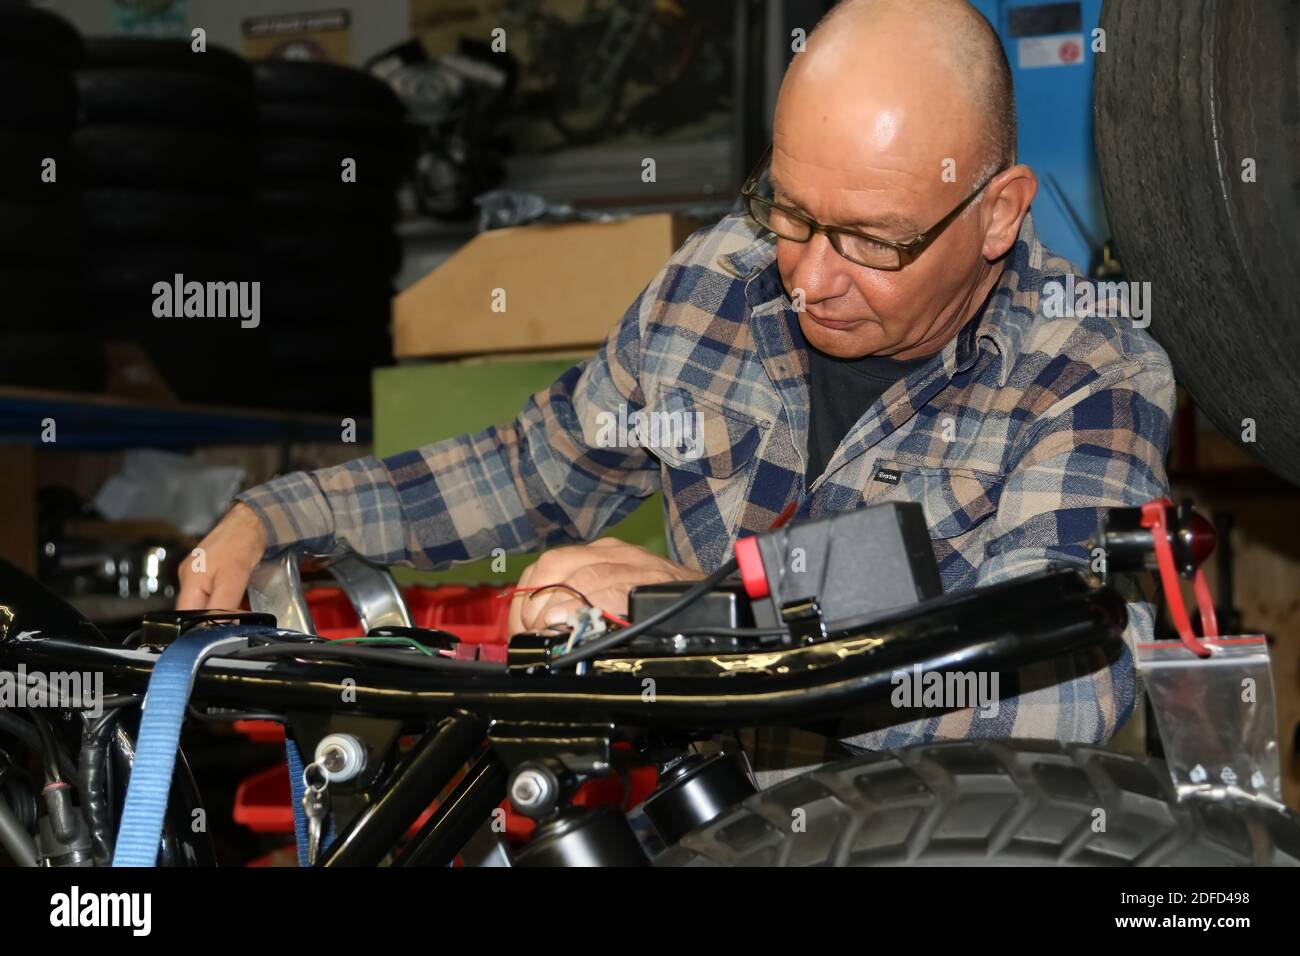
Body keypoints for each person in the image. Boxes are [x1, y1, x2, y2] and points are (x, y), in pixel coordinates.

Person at [178, 0, 1174, 768]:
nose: (808, 275)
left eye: (872, 241)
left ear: (997, 213)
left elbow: (1061, 698)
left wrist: (706, 621)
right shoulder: (715, 289)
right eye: (788, 211)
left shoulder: (1084, 375)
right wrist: (283, 515)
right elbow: (531, 470)